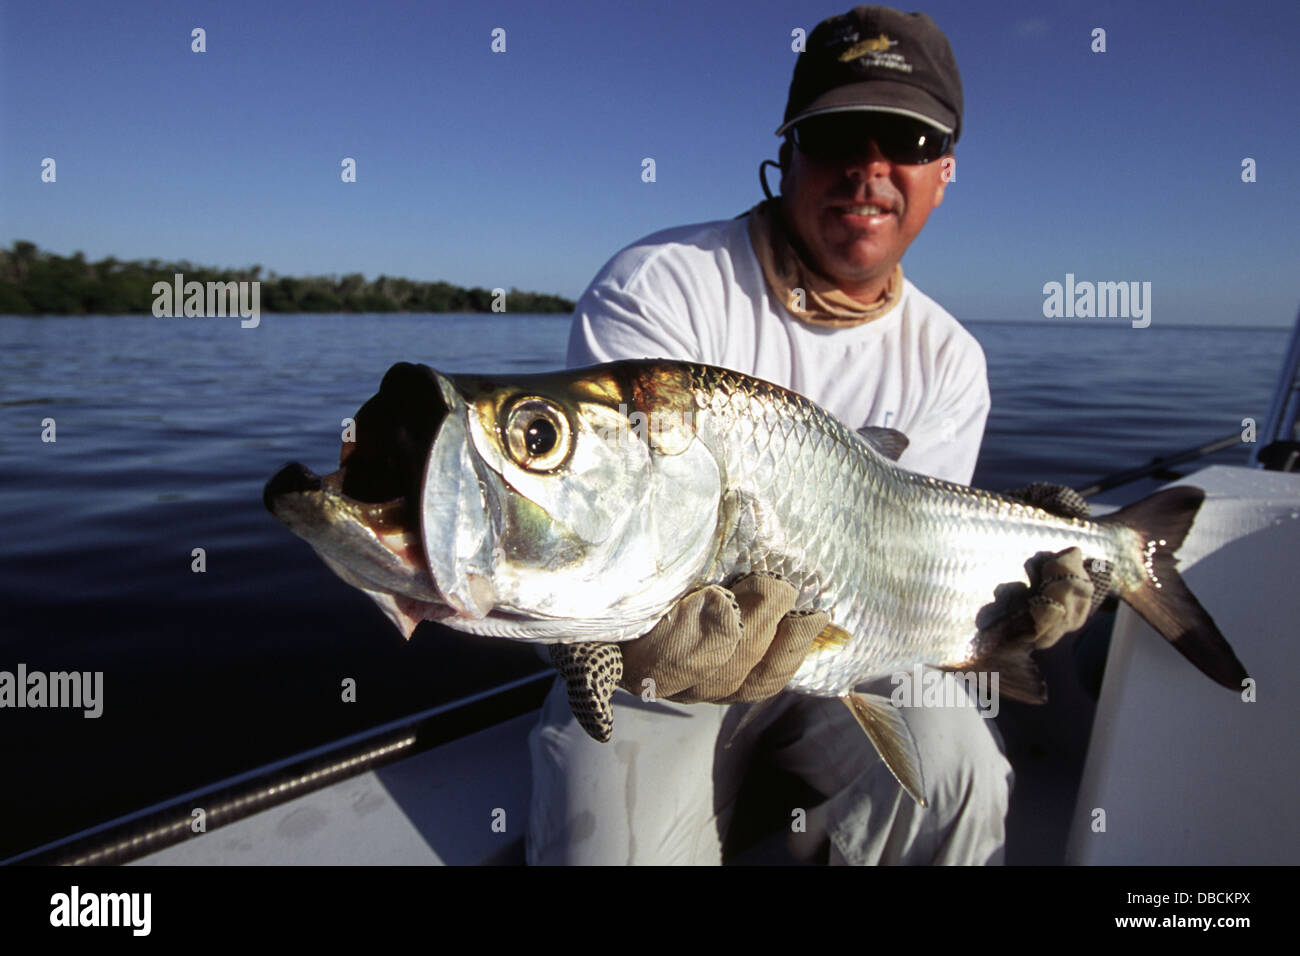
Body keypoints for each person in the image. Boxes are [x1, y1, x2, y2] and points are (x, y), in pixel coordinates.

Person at [526, 5, 1099, 865]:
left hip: (857, 656)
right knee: (605, 844)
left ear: (944, 173)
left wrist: (992, 624)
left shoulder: (949, 359)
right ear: (786, 153)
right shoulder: (661, 288)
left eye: (905, 143)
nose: (868, 170)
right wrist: (632, 636)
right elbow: (599, 529)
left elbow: (909, 574)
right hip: (661, 663)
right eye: (838, 138)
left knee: (959, 779)